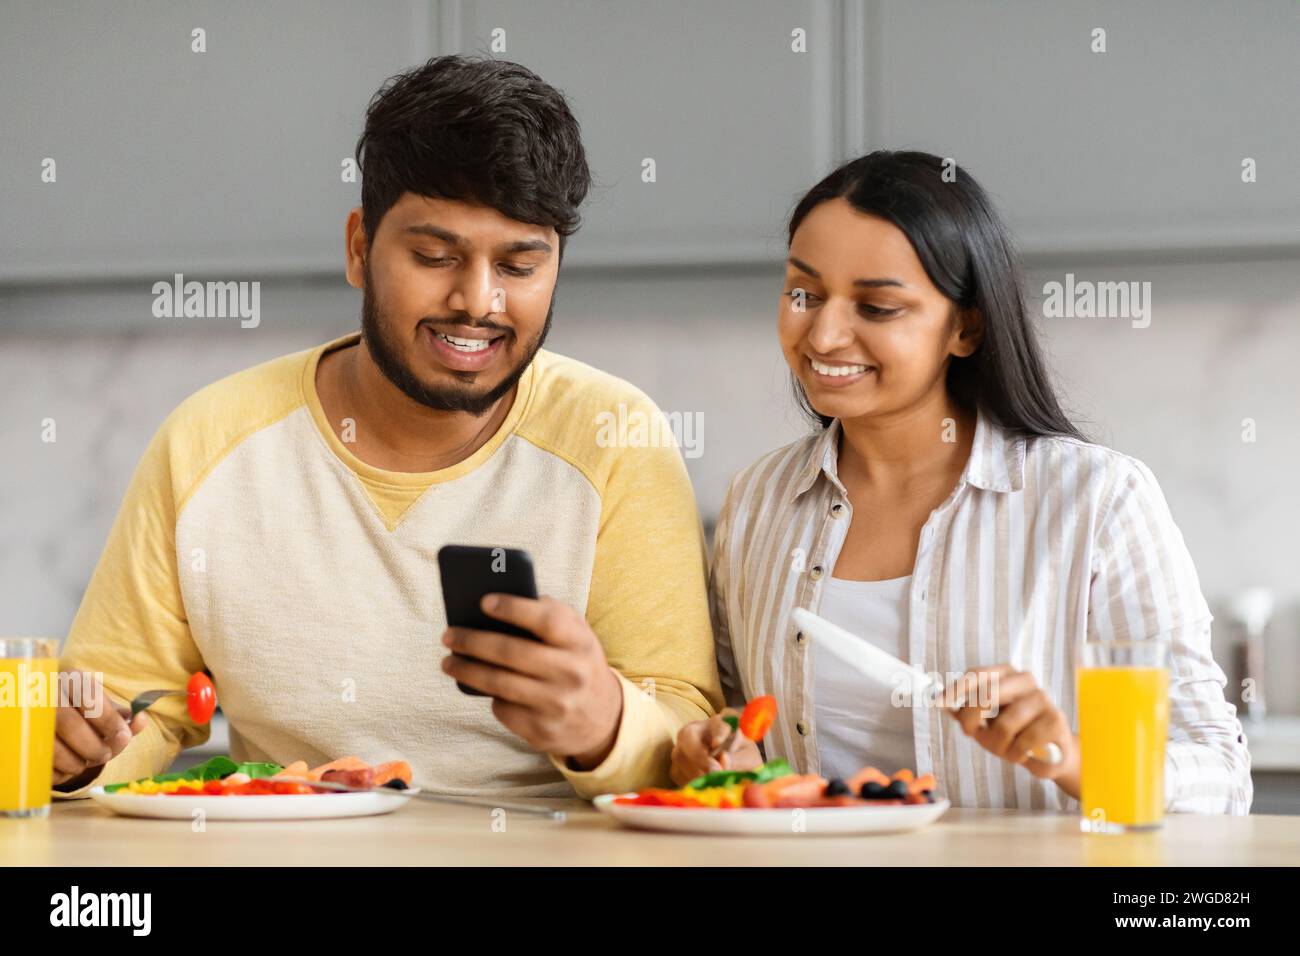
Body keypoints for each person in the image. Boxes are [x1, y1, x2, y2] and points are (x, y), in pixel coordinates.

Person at [54, 55, 721, 800]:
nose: (478, 300)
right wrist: (76, 751)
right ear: (358, 248)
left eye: (521, 265)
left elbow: (687, 732)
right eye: (435, 256)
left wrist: (606, 724)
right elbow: (125, 707)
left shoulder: (615, 438)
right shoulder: (209, 441)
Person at [671, 151, 1251, 813]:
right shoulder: (760, 501)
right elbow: (738, 718)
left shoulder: (1097, 501)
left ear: (966, 327)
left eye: (877, 306)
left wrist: (1072, 757)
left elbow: (1221, 778)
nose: (825, 334)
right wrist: (722, 752)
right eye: (804, 293)